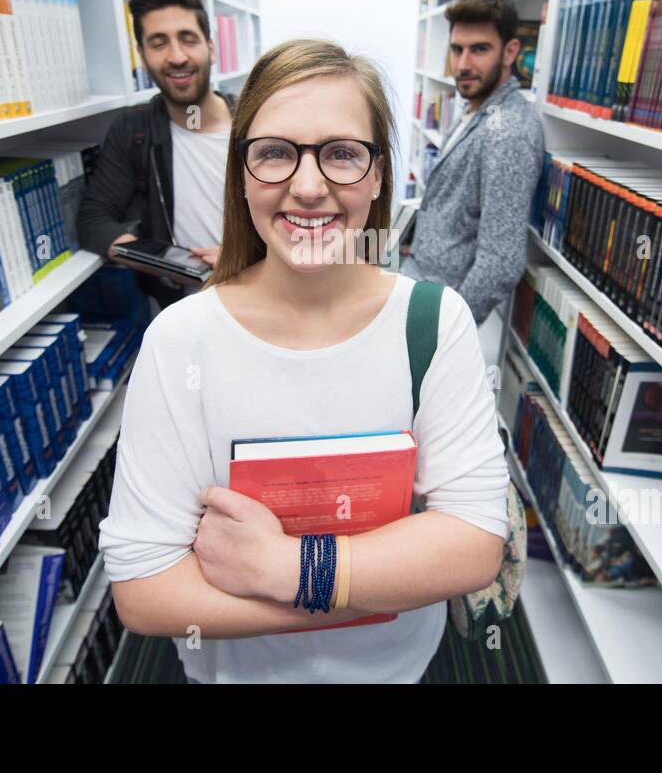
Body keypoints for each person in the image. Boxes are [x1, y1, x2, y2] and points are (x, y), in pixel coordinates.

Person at [98, 39, 509, 684]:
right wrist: (361, 596)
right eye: (275, 154)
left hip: (398, 670)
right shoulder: (181, 340)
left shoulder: (434, 323)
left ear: (379, 176)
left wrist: (284, 570)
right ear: (242, 173)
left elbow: (475, 543)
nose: (309, 187)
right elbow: (147, 590)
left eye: (343, 154)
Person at [77, 0, 235, 307]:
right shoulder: (133, 128)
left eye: (187, 39)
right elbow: (94, 221)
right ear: (143, 56)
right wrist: (170, 265)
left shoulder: (259, 123)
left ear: (211, 48)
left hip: (267, 298)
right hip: (186, 310)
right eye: (158, 43)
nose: (176, 57)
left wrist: (244, 258)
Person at [402, 0, 544, 324]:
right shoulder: (478, 108)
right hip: (420, 283)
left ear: (510, 52)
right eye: (457, 50)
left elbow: (501, 263)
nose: (463, 64)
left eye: (479, 50)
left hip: (437, 313)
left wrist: (447, 333)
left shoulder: (506, 132)